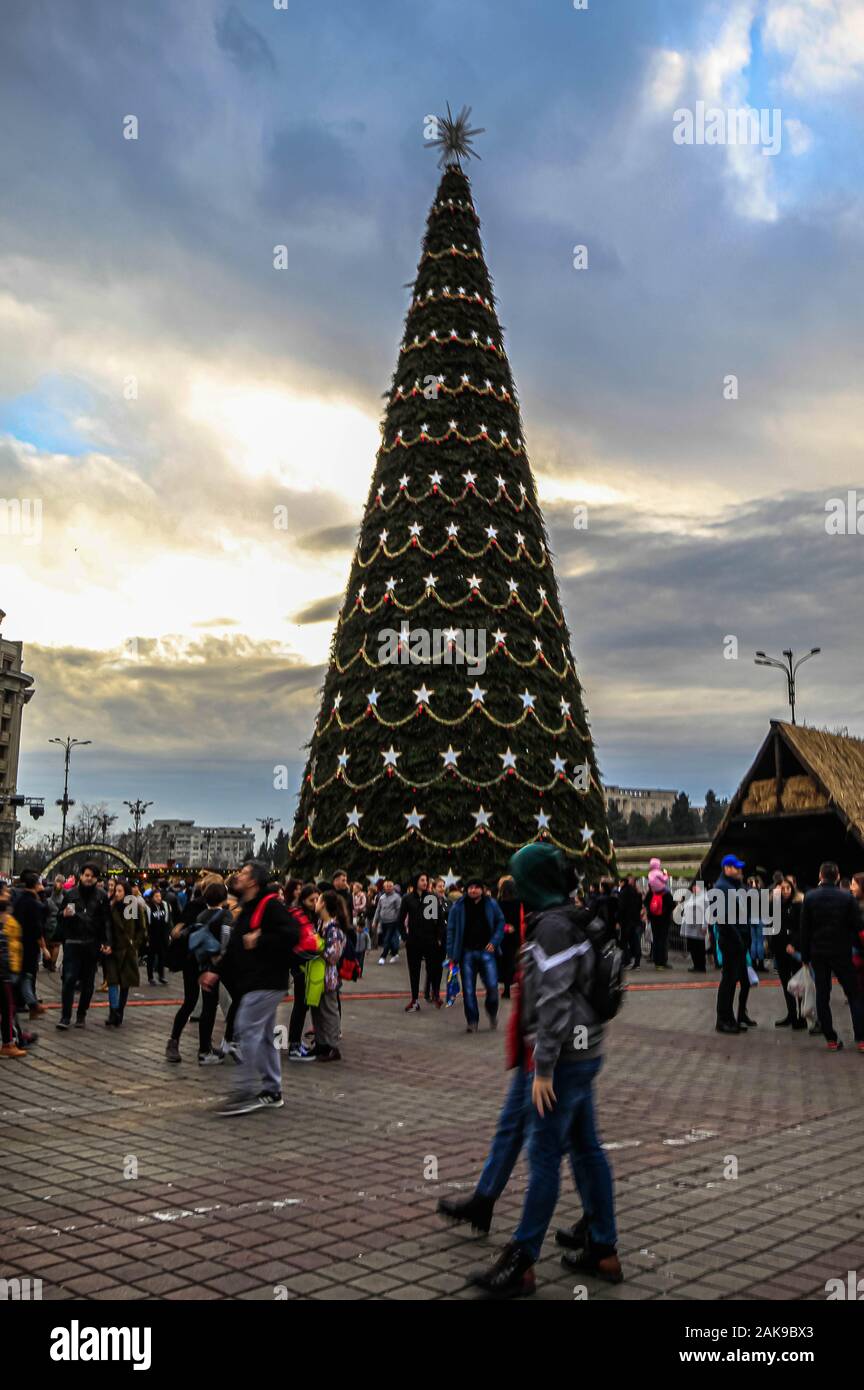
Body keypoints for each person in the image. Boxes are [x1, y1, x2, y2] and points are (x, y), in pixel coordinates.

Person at [450, 843, 620, 1298]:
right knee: (587, 1148)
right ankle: (603, 1247)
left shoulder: (552, 929)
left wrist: (542, 1067)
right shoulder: (578, 916)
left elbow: (554, 1001)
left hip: (561, 1061)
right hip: (585, 1053)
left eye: (519, 877)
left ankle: (522, 1261)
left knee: (543, 1156)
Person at [202, 861, 299, 1114]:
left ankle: (245, 1091)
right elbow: (234, 946)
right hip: (255, 982)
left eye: (244, 873)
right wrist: (215, 972)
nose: (239, 876)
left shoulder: (270, 905)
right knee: (264, 1036)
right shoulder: (247, 908)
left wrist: (261, 939)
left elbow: (292, 934)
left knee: (246, 1029)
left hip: (268, 982)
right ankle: (272, 1090)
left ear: (254, 881)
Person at [800, 861, 864, 1053]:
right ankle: (861, 1038)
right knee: (854, 994)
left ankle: (830, 1038)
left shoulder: (810, 898)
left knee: (823, 995)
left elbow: (805, 929)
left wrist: (804, 956)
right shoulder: (847, 898)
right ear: (837, 877)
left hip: (818, 953)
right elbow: (857, 927)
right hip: (842, 952)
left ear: (820, 876)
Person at [445, 878, 505, 1033]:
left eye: (476, 888)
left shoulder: (491, 904)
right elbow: (450, 930)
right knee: (468, 990)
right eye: (470, 888)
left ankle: (492, 1013)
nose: (473, 890)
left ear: (482, 889)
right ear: (466, 890)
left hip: (487, 952)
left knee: (492, 987)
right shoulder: (458, 906)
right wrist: (451, 954)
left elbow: (500, 922)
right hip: (466, 953)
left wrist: (495, 941)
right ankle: (472, 1021)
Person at [56, 862, 111, 1030]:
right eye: (86, 875)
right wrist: (63, 914)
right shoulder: (71, 894)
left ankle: (81, 1014)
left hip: (91, 944)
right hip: (73, 943)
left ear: (96, 879)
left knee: (88, 983)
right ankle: (65, 1016)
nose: (89, 879)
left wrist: (106, 942)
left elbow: (106, 921)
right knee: (69, 980)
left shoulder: (101, 896)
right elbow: (61, 916)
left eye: (93, 876)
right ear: (81, 876)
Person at [712, 854, 756, 1034]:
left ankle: (729, 1018)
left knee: (732, 980)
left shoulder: (733, 886)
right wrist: (738, 938)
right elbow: (723, 919)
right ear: (727, 868)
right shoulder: (722, 888)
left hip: (738, 940)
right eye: (736, 868)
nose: (740, 871)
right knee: (728, 981)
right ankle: (723, 1020)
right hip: (731, 941)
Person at [401, 873, 447, 1011]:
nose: (425, 882)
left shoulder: (430, 898)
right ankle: (414, 1000)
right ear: (416, 882)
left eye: (426, 880)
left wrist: (438, 937)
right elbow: (400, 919)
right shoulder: (408, 899)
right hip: (414, 940)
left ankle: (436, 994)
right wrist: (405, 936)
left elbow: (437, 919)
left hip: (430, 940)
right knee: (414, 971)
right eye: (422, 880)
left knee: (433, 968)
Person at [309, 889, 346, 1062]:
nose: (315, 902)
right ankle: (321, 1043)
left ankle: (332, 1046)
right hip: (317, 977)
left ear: (323, 904)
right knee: (317, 1011)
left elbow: (334, 955)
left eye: (318, 900)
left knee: (329, 1011)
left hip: (328, 978)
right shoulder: (319, 924)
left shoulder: (333, 928)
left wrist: (316, 947)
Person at [104, 880, 147, 1027]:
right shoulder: (111, 907)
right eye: (116, 891)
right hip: (113, 950)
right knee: (112, 982)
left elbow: (140, 929)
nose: (117, 894)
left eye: (120, 891)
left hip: (127, 951)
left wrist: (135, 944)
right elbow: (107, 927)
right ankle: (113, 1011)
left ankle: (119, 1012)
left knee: (124, 984)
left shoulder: (132, 906)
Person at [12, 870, 50, 1019]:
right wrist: (44, 947)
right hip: (29, 946)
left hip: (17, 944)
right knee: (25, 976)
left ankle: (29, 1003)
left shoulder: (18, 900)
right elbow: (38, 926)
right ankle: (32, 1004)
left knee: (21, 975)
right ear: (36, 885)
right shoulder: (34, 904)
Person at [773, 877, 807, 1029]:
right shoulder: (776, 905)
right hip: (780, 949)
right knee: (786, 983)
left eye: (788, 888)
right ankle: (791, 1014)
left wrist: (794, 944)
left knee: (797, 984)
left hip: (793, 949)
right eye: (782, 888)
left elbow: (801, 928)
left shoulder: (798, 905)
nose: (785, 891)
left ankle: (801, 1015)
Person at [0, 883, 26, 1057]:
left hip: (5, 971)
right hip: (3, 973)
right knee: (6, 1007)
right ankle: (8, 1043)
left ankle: (13, 1039)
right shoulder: (4, 922)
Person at [644, 858, 673, 969]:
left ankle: (656, 962)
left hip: (654, 919)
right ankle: (662, 962)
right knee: (663, 939)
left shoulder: (651, 894)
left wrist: (650, 913)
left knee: (655, 939)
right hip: (664, 919)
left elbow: (646, 903)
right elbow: (671, 905)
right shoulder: (666, 893)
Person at [496, 876, 522, 1000]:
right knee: (514, 961)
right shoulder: (518, 903)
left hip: (502, 936)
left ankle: (506, 989)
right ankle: (517, 984)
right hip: (515, 936)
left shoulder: (499, 903)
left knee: (504, 961)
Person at [146, 887, 172, 986]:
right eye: (156, 896)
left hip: (163, 935)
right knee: (151, 957)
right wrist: (147, 937)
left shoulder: (165, 905)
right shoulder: (148, 907)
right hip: (152, 935)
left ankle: (161, 976)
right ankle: (150, 977)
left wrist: (168, 933)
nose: (158, 898)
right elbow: (148, 923)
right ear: (152, 897)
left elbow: (167, 920)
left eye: (159, 896)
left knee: (162, 956)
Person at [681, 879, 709, 973]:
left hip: (698, 926)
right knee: (693, 946)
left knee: (699, 947)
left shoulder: (704, 897)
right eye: (693, 887)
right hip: (690, 926)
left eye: (695, 886)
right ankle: (696, 965)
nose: (693, 888)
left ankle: (701, 966)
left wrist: (704, 926)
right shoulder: (693, 896)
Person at [617, 875, 643, 970]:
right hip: (635, 920)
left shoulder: (623, 892)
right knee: (635, 942)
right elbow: (639, 906)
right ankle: (637, 962)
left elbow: (621, 908)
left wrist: (618, 920)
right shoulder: (635, 892)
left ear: (622, 882)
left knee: (624, 942)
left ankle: (626, 961)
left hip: (626, 921)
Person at [373, 879, 402, 963]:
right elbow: (378, 910)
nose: (388, 888)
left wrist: (398, 921)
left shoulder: (397, 897)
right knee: (388, 940)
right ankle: (395, 954)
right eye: (387, 886)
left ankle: (383, 956)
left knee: (387, 939)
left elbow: (399, 910)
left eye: (390, 886)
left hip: (393, 922)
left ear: (393, 887)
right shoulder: (382, 897)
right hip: (383, 922)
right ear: (384, 887)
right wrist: (375, 921)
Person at [43, 873, 67, 972]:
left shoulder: (48, 891)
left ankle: (47, 962)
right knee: (56, 945)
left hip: (48, 921)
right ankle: (52, 965)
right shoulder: (65, 894)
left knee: (49, 944)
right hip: (58, 922)